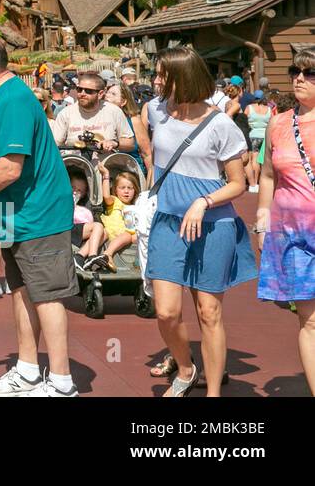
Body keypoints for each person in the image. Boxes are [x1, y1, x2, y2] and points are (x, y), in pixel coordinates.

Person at [0, 33, 78, 397]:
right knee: (21, 290)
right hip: (10, 214)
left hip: (39, 214)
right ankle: (26, 371)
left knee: (48, 295)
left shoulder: (16, 100)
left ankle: (61, 382)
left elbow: (9, 168)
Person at [144, 46, 255, 397]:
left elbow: (239, 184)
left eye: (162, 74)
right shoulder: (155, 110)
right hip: (167, 223)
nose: (156, 80)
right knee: (165, 312)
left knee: (209, 313)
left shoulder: (221, 124)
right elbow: (152, 157)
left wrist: (202, 202)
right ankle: (187, 367)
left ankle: (213, 393)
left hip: (213, 224)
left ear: (184, 77)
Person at [255, 50, 315, 395]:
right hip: (292, 235)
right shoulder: (278, 123)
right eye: (295, 71)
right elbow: (266, 176)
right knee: (309, 319)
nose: (299, 78)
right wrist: (263, 220)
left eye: (309, 73)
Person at [51, 71, 135, 154]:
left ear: (100, 94)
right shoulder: (65, 114)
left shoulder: (114, 111)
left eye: (88, 91)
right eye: (79, 89)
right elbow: (54, 146)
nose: (82, 94)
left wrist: (114, 143)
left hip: (106, 166)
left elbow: (130, 143)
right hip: (74, 166)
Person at [80, 164, 140, 272]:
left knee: (131, 236)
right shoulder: (115, 201)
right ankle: (94, 256)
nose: (126, 191)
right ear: (116, 190)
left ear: (135, 190)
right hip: (110, 232)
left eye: (130, 188)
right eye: (122, 188)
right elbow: (106, 196)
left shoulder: (137, 206)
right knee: (105, 235)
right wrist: (106, 176)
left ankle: (107, 255)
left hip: (126, 236)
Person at [106, 81, 150, 184]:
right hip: (108, 178)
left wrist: (149, 184)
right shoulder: (100, 120)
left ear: (123, 102)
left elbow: (147, 154)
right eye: (107, 93)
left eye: (113, 94)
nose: (107, 96)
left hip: (131, 177)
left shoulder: (134, 121)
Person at [244, 89, 273, 192]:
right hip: (265, 136)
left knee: (254, 159)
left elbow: (243, 119)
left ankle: (255, 183)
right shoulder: (269, 109)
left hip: (253, 135)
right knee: (265, 160)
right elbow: (272, 121)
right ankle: (264, 181)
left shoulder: (249, 107)